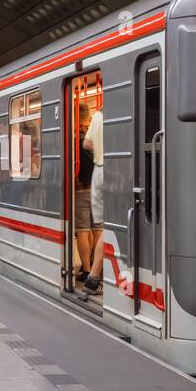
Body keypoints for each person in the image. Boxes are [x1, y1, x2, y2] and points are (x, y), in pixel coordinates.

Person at [79, 101, 106, 299]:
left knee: (100, 226)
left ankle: (93, 275)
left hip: (98, 173)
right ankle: (94, 277)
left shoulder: (97, 116)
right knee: (106, 229)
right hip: (114, 172)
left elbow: (87, 143)